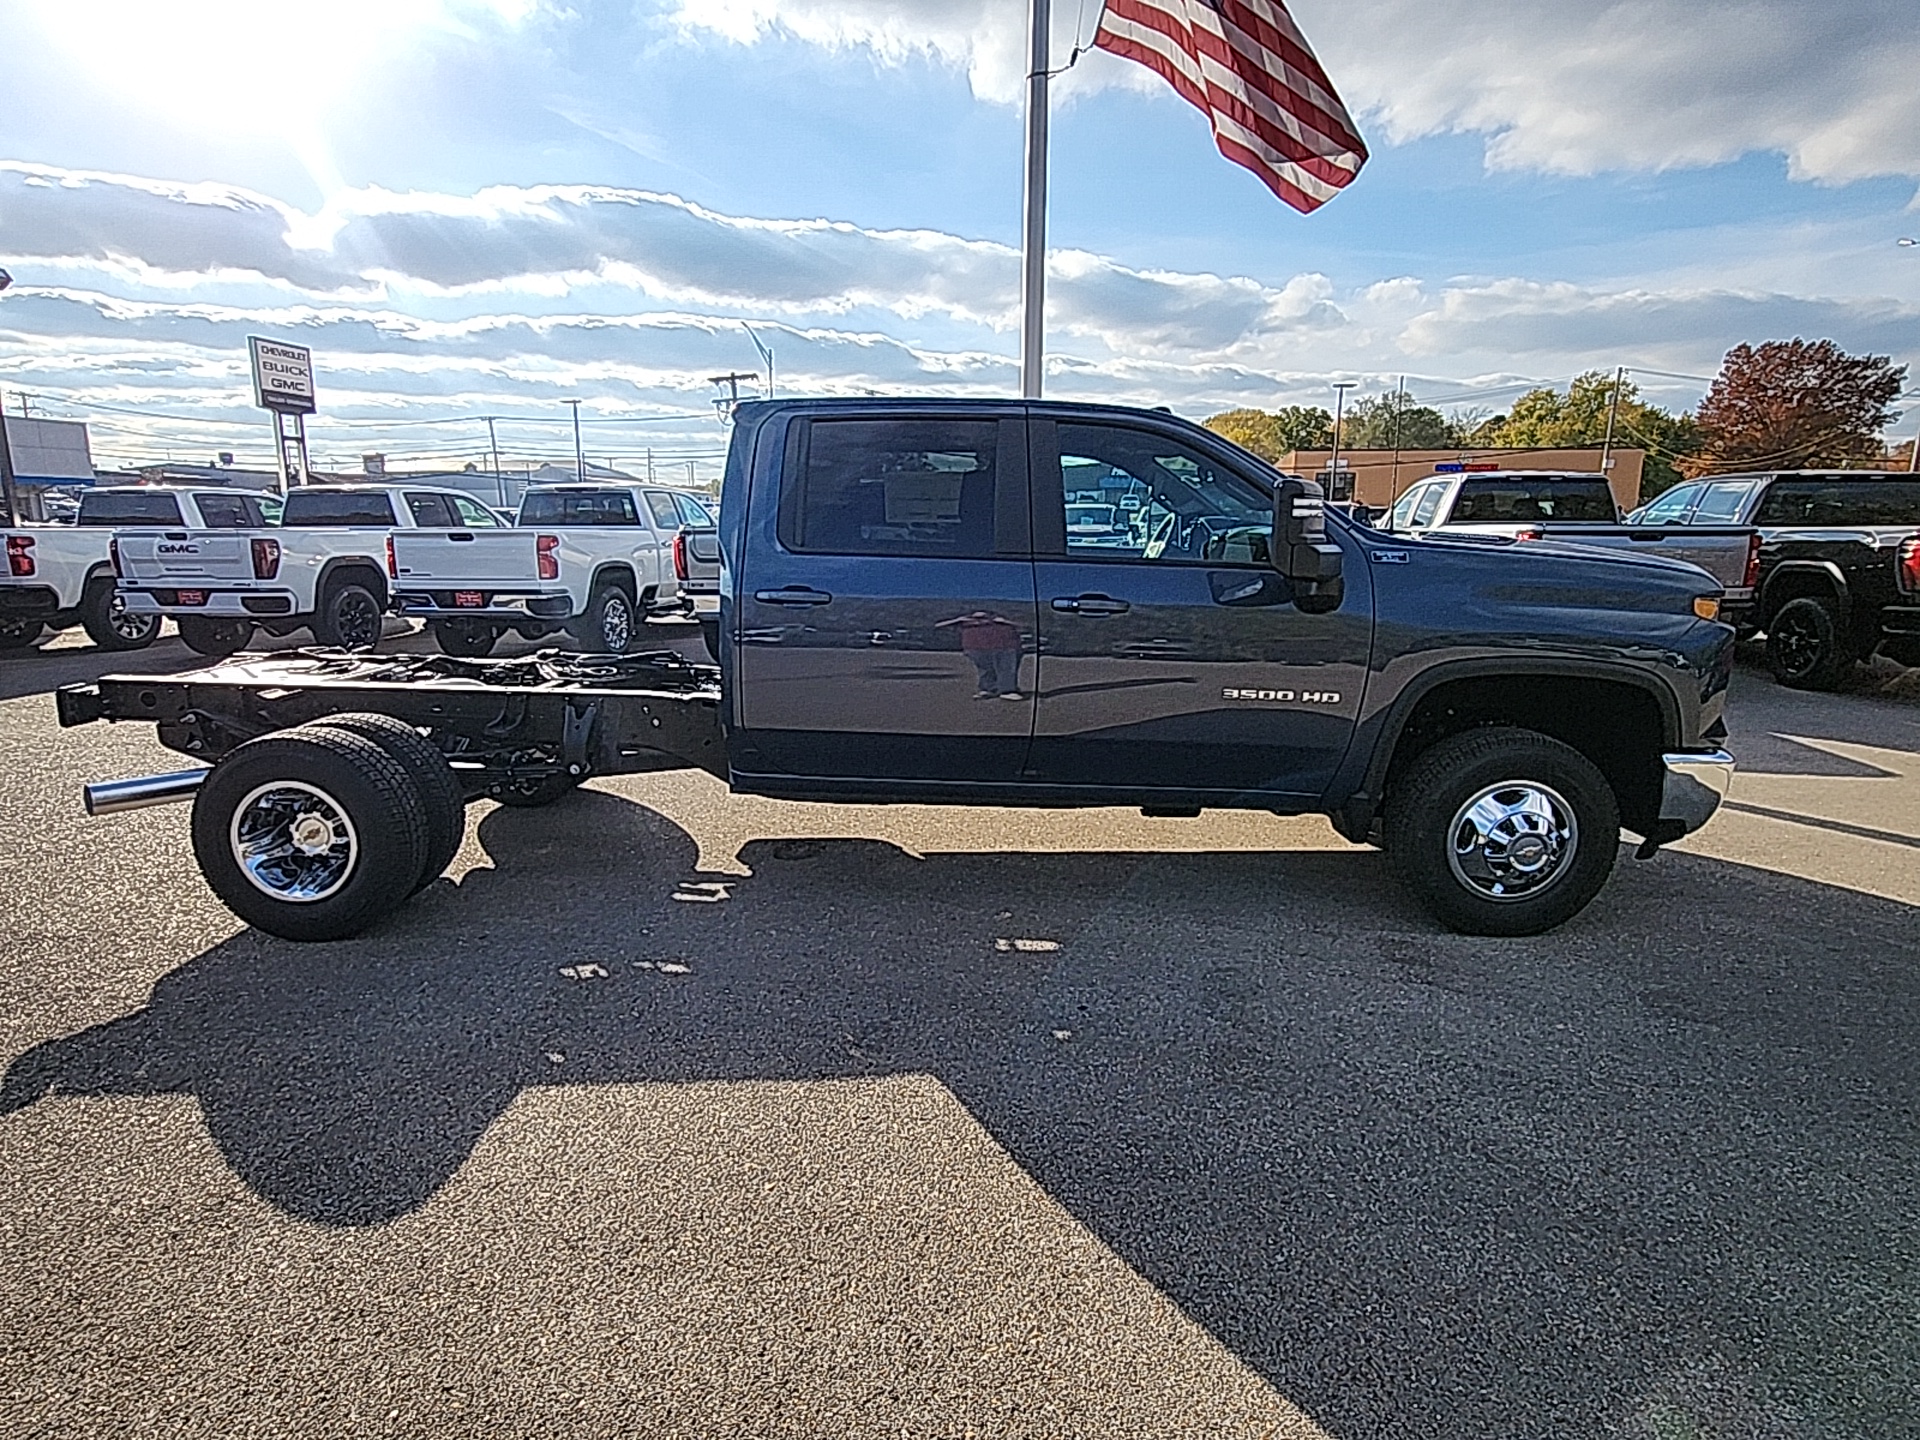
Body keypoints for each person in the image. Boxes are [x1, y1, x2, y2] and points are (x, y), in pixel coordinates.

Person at [936, 610, 1024, 699]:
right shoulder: (965, 623)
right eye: (977, 618)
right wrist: (958, 620)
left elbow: (1023, 626)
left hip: (1005, 647)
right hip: (976, 648)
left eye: (983, 617)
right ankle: (989, 689)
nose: (980, 620)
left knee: (1006, 668)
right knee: (985, 669)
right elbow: (939, 625)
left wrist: (1004, 621)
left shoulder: (1000, 622)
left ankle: (1007, 690)